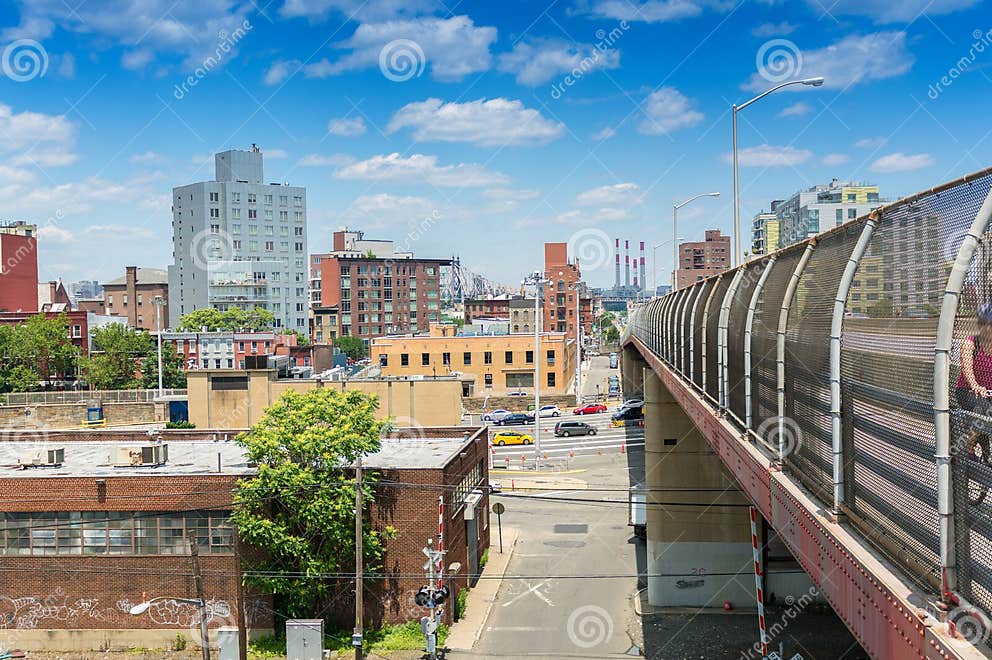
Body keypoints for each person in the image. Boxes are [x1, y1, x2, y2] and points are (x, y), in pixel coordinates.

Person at [956, 304, 992, 418]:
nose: (987, 328)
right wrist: (975, 385)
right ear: (978, 324)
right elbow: (967, 369)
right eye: (983, 323)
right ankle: (971, 433)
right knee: (984, 410)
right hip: (969, 390)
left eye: (991, 324)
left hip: (989, 392)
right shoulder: (970, 343)